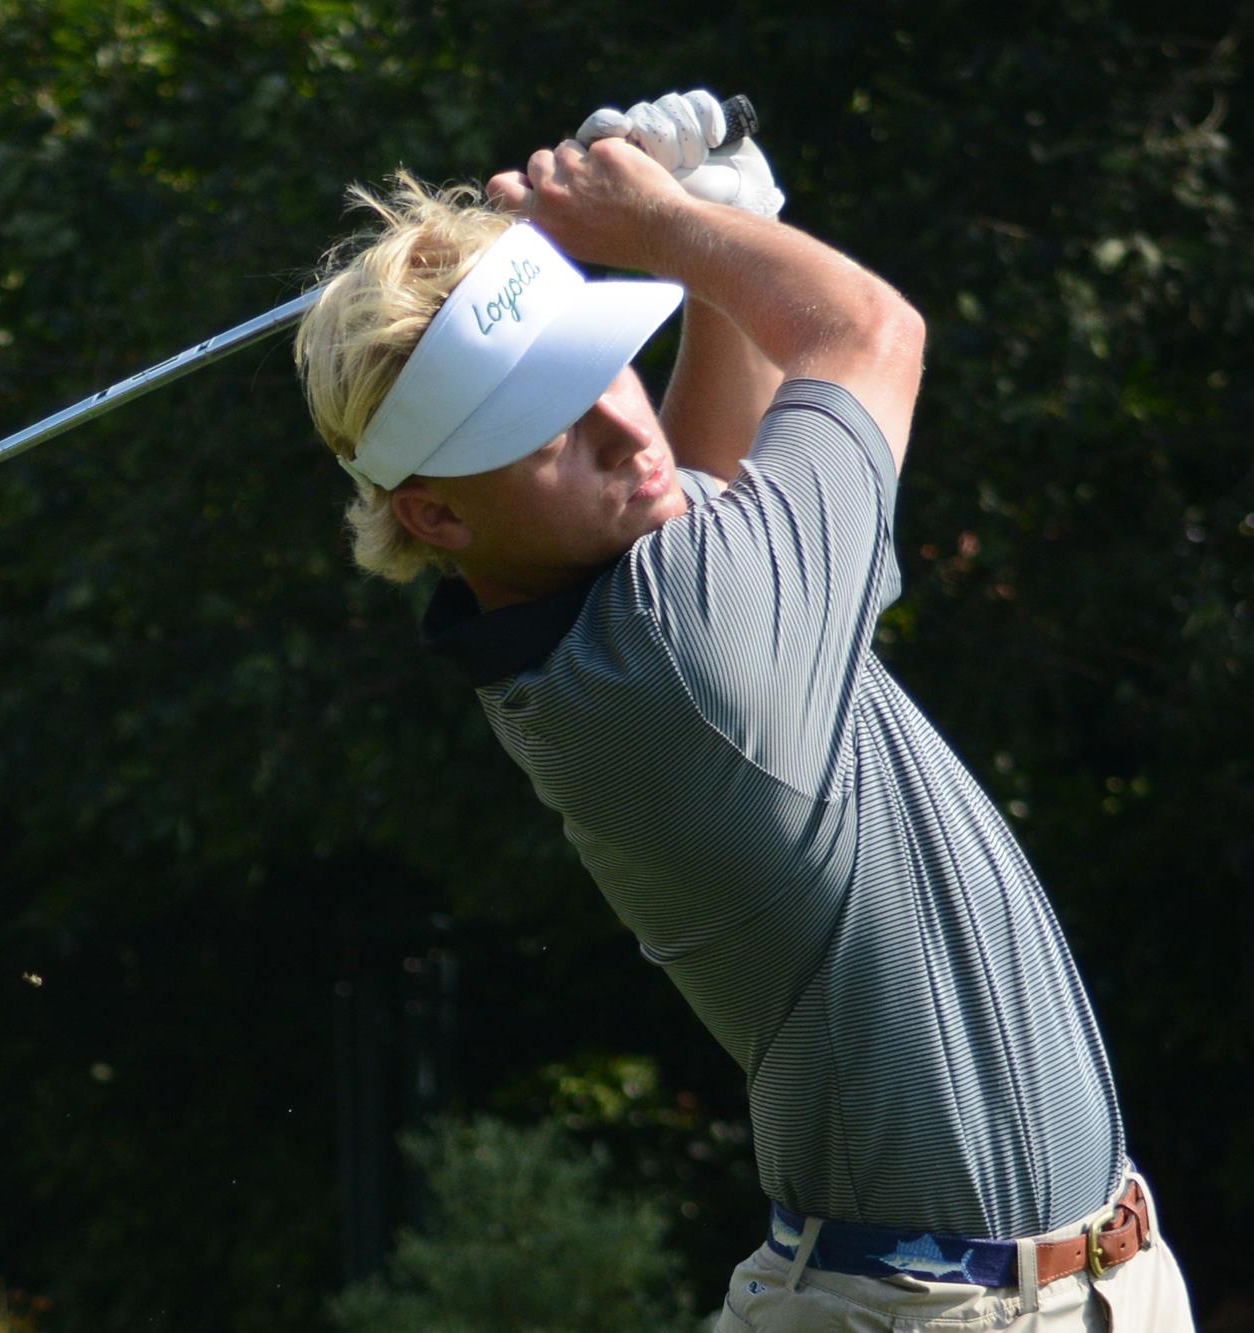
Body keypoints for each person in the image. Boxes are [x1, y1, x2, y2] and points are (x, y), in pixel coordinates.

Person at [292, 90, 1197, 1330]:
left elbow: (699, 474)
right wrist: (666, 230)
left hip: (1059, 1282)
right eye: (549, 429)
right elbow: (870, 330)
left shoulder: (605, 611)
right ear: (435, 517)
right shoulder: (681, 647)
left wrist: (719, 233)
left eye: (598, 365)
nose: (622, 426)